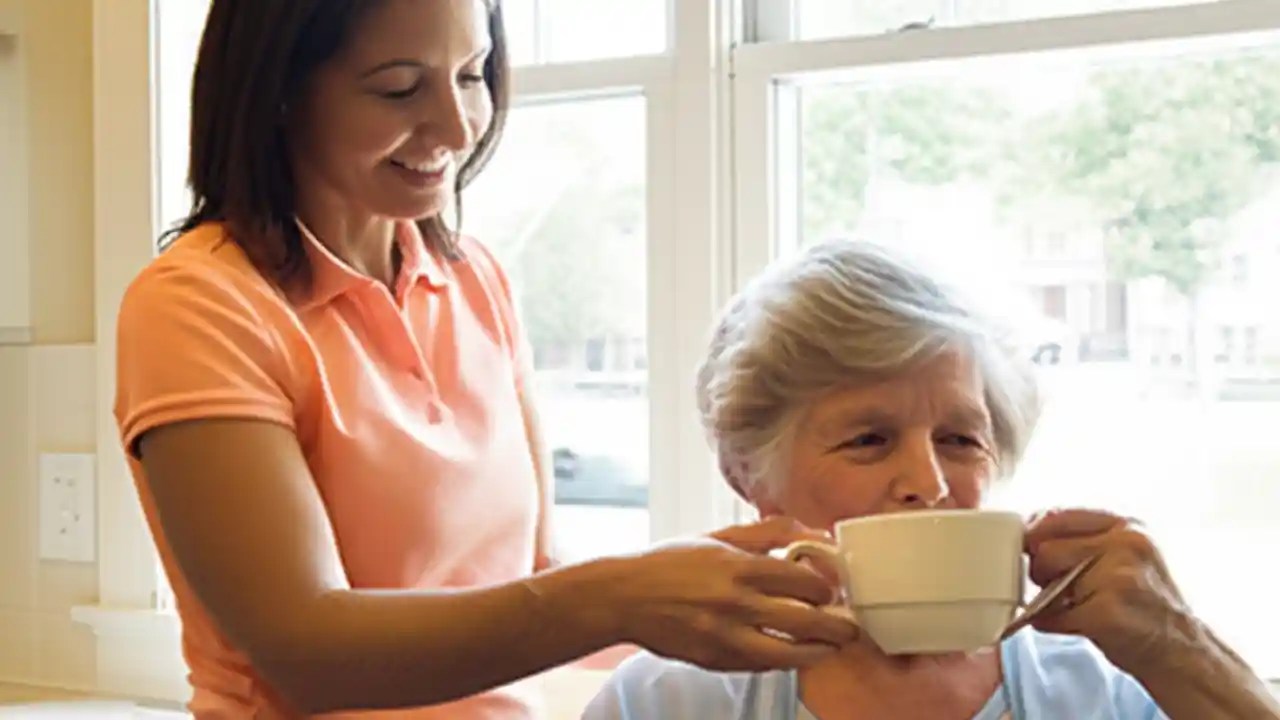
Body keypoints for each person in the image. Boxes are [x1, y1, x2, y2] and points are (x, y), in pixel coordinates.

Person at [112, 1, 858, 717]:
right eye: (399, 87)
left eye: (471, 74)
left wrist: (714, 596)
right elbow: (304, 654)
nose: (458, 123)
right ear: (276, 92)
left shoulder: (472, 279)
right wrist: (625, 595)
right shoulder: (200, 304)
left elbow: (532, 584)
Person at [583, 240, 1280, 719]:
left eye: (959, 439)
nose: (931, 482)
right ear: (752, 478)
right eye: (869, 440)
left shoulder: (1099, 685)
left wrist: (1181, 646)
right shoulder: (670, 700)